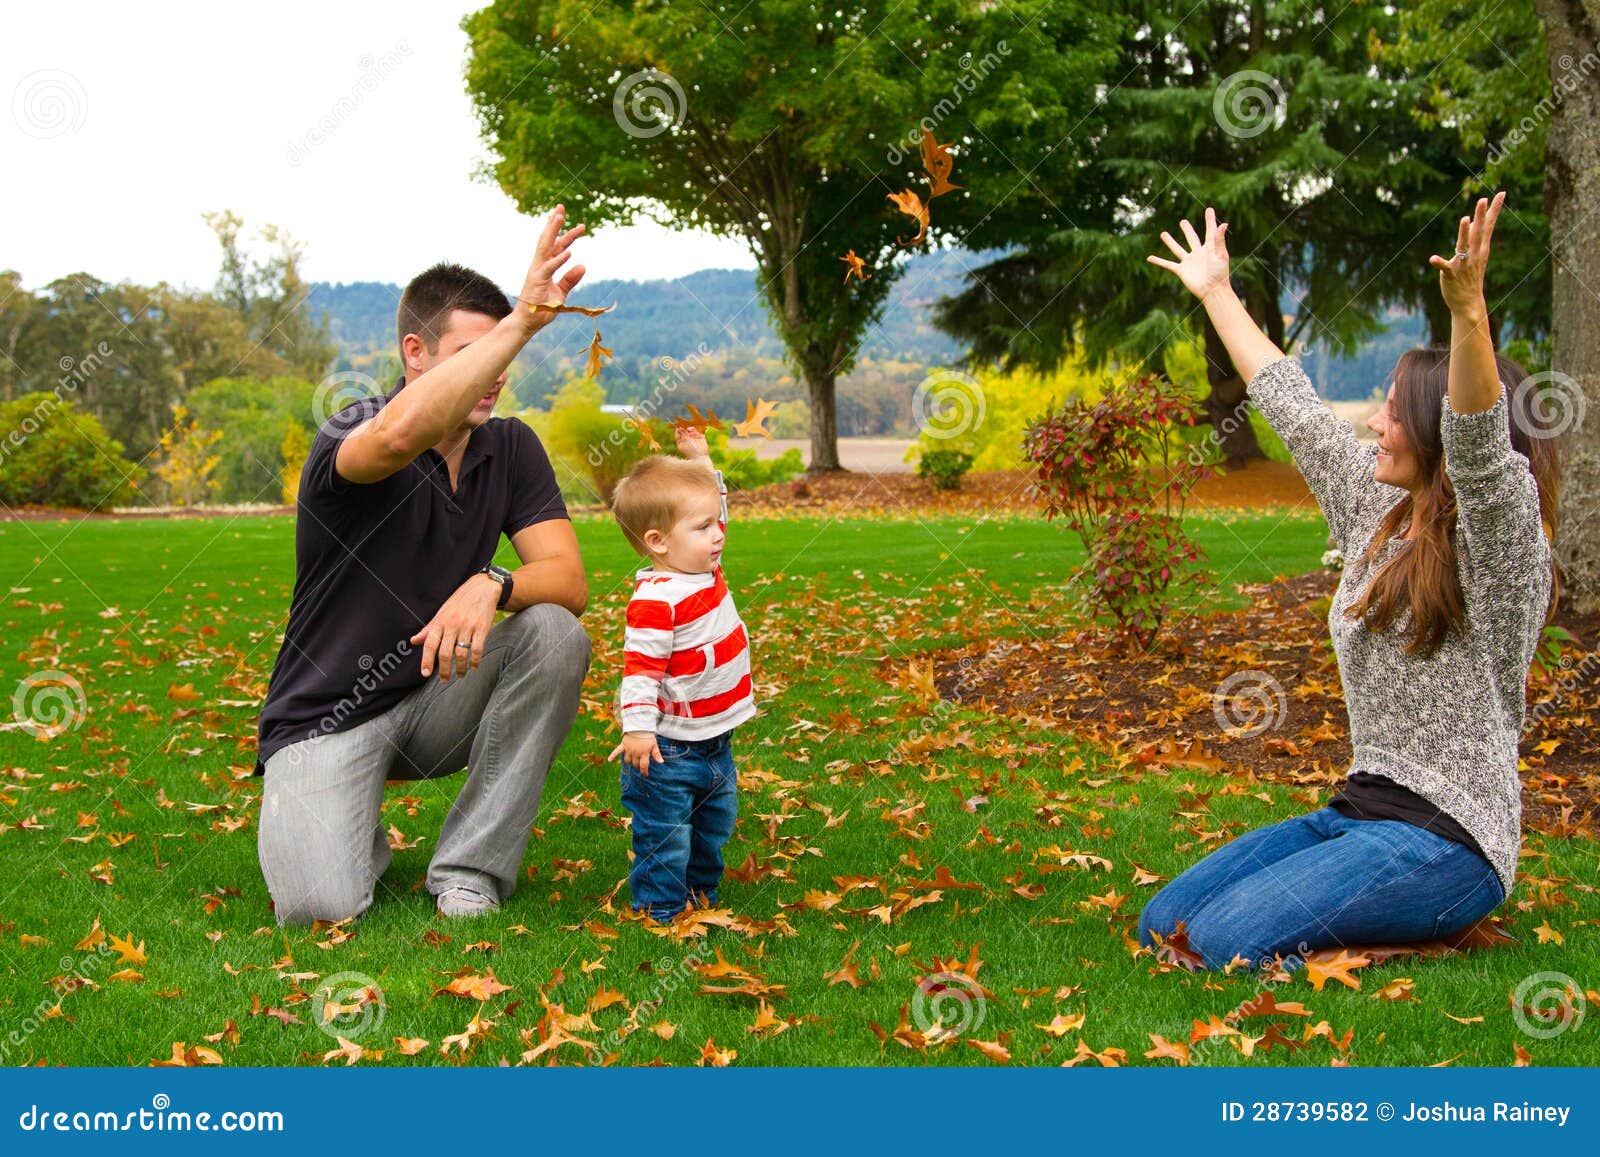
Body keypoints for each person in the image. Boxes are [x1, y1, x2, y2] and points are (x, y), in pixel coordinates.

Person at [1137, 193, 1560, 969]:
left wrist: (1469, 314)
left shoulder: (1502, 547)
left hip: (1451, 841)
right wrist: (1218, 291)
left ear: (1435, 433)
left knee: (1225, 944)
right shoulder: (1375, 506)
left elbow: (1478, 447)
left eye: (1394, 415)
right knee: (1165, 924)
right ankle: (1388, 918)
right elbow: (1292, 404)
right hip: (1357, 812)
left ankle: (1421, 935)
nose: (1374, 423)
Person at [255, 206, 594, 924]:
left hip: (436, 694)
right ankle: (346, 822)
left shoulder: (511, 448)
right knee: (319, 908)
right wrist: (521, 323)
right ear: (415, 352)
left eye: (501, 356)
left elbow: (568, 581)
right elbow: (403, 432)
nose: (494, 373)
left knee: (554, 634)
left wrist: (493, 581)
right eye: (476, 353)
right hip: (328, 716)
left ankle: (470, 871)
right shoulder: (354, 432)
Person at [607, 427, 757, 921]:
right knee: (665, 835)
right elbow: (640, 673)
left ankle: (701, 897)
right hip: (668, 751)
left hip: (715, 741)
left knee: (713, 827)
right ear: (658, 542)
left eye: (717, 524)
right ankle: (661, 911)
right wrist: (637, 729)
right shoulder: (657, 600)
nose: (718, 534)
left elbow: (715, 509)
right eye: (703, 527)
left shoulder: (704, 569)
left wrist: (701, 461)